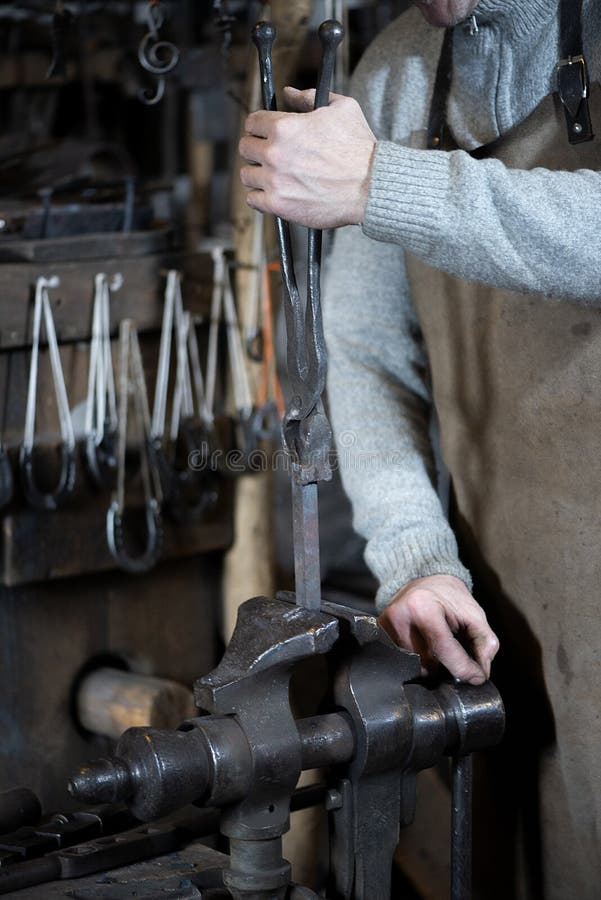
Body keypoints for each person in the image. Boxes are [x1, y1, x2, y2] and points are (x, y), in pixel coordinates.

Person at [239, 1, 601, 897]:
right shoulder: (398, 71)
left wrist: (379, 182)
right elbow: (363, 351)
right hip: (517, 618)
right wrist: (412, 552)